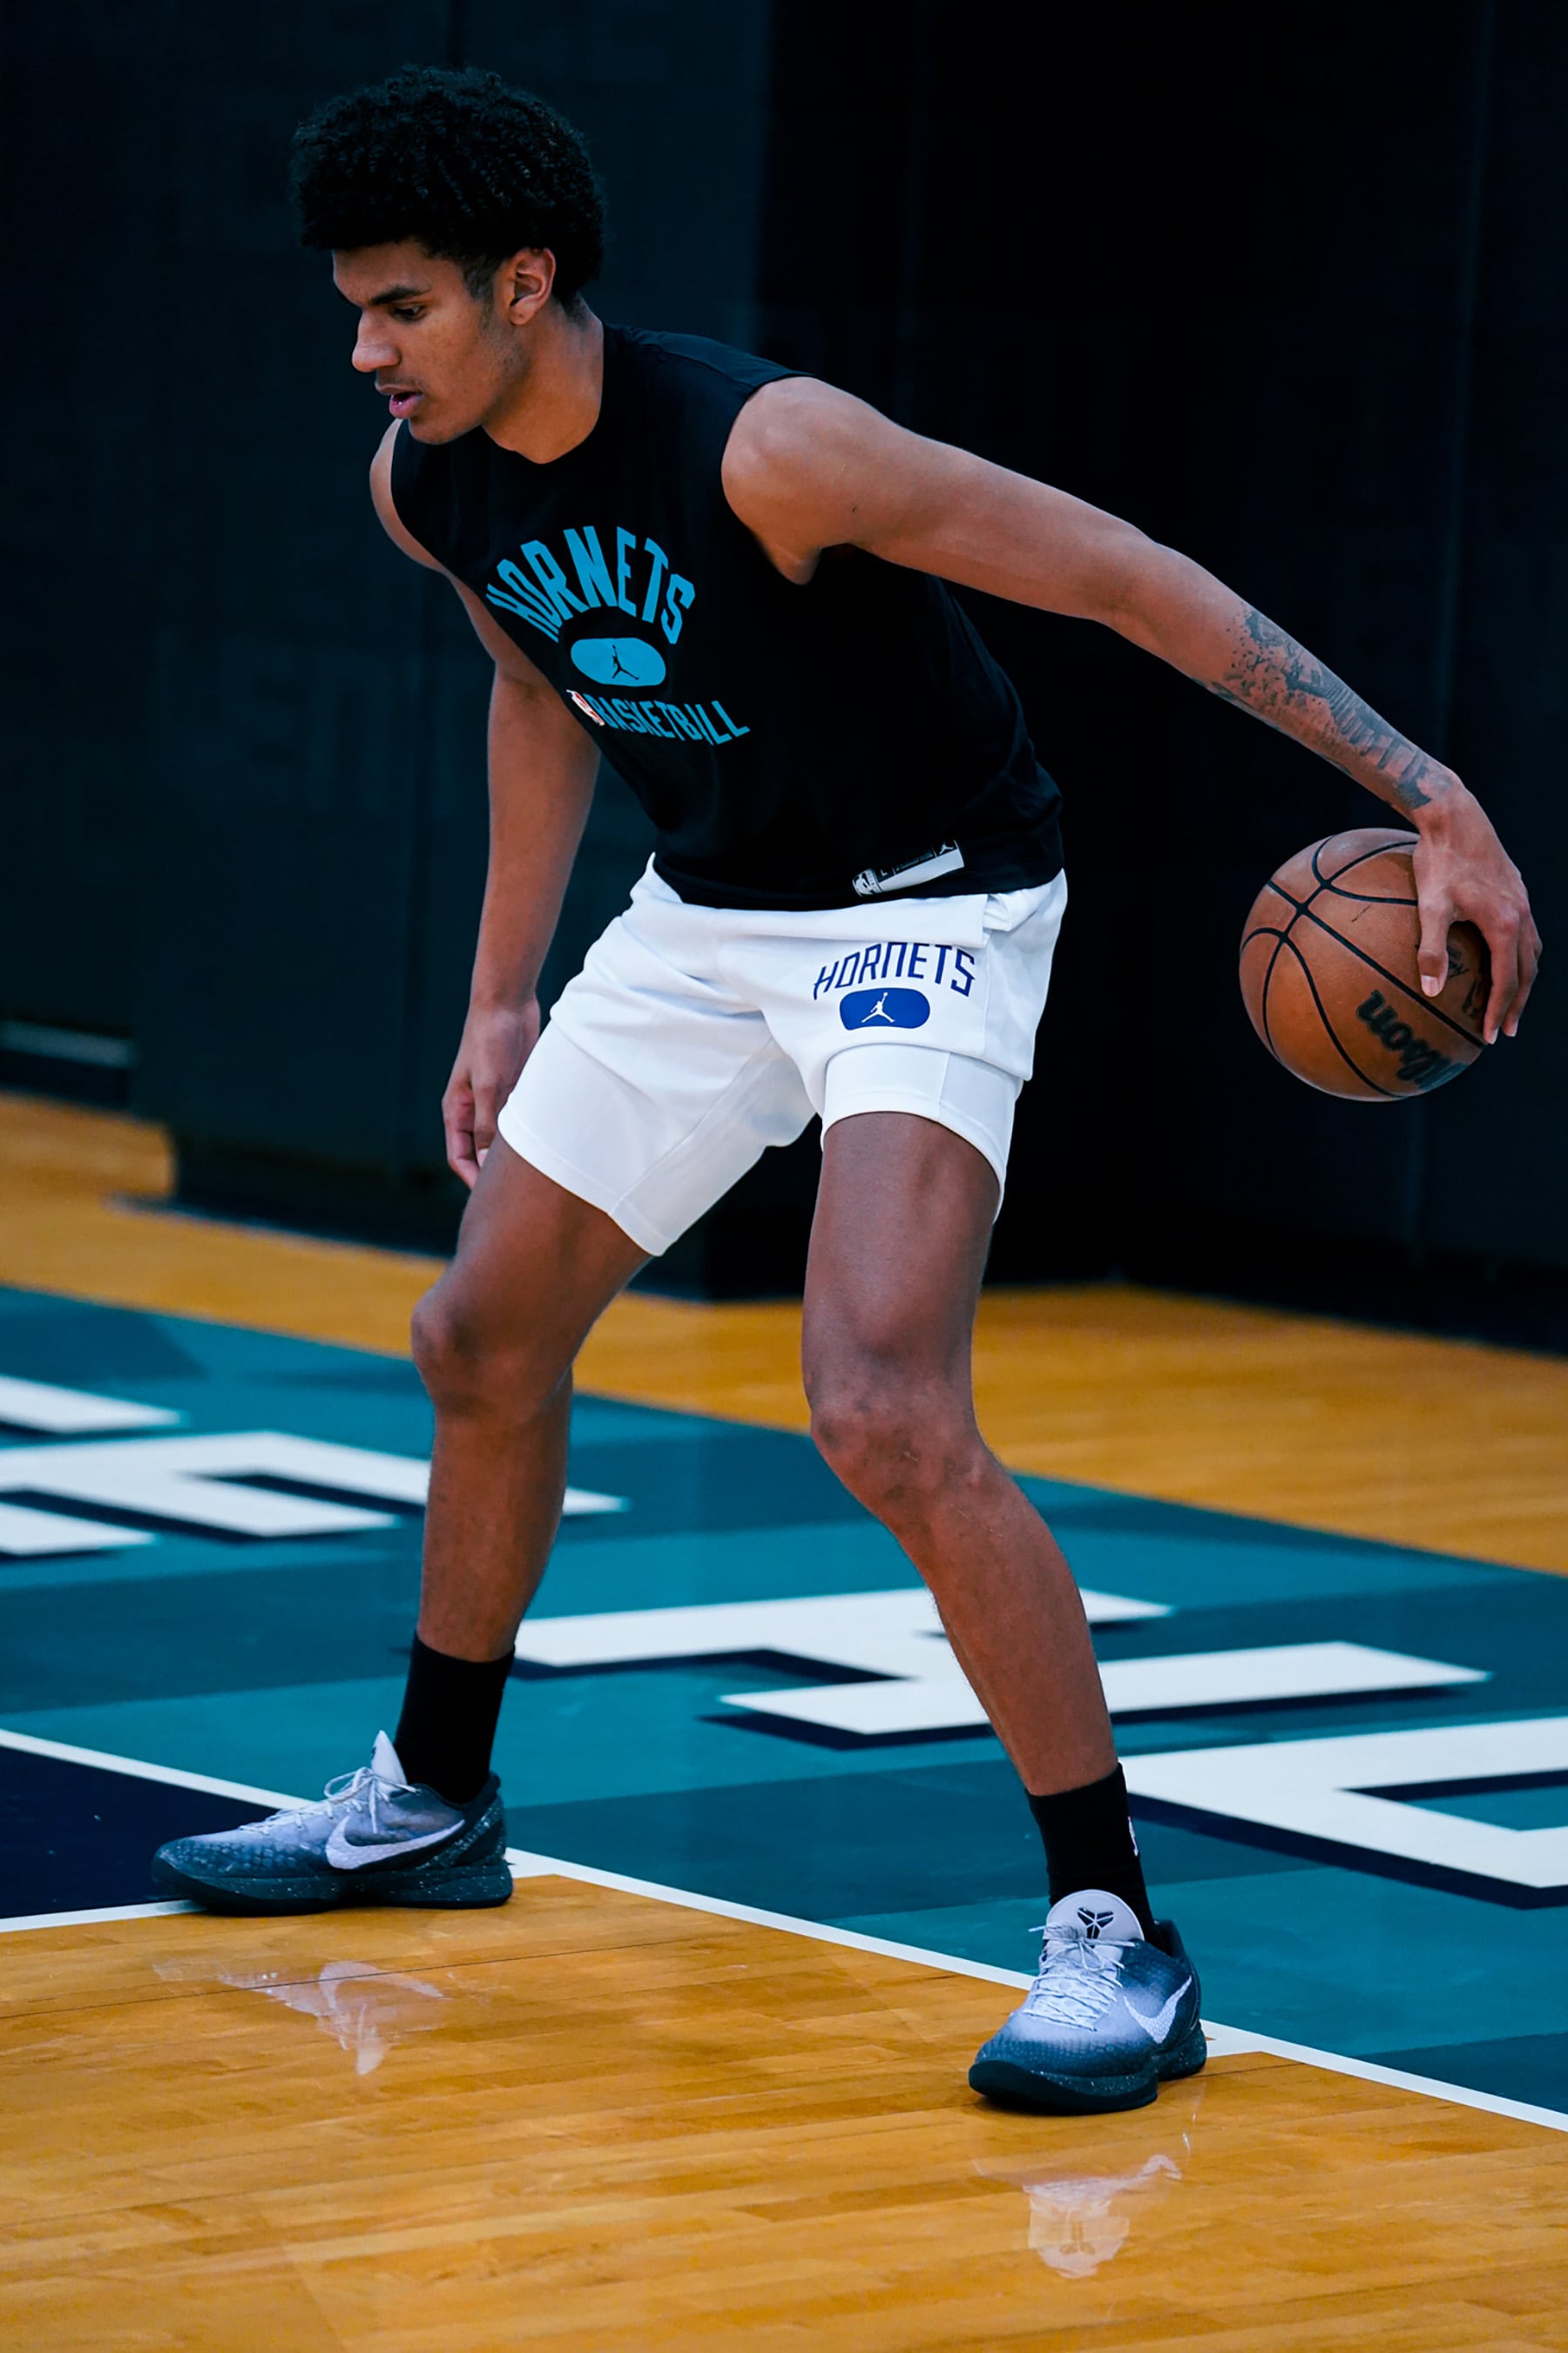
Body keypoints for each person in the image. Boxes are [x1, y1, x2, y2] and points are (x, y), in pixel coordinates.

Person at [152, 65, 1539, 2114]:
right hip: (708, 912)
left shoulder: (773, 449)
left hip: (934, 901)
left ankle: (1115, 1932)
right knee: (478, 1334)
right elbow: (535, 681)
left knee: (880, 1399)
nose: (365, 351)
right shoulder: (427, 478)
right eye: (352, 309)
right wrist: (499, 993)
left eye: (406, 308)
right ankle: (434, 1797)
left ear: (529, 283)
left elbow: (1121, 572)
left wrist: (1433, 795)